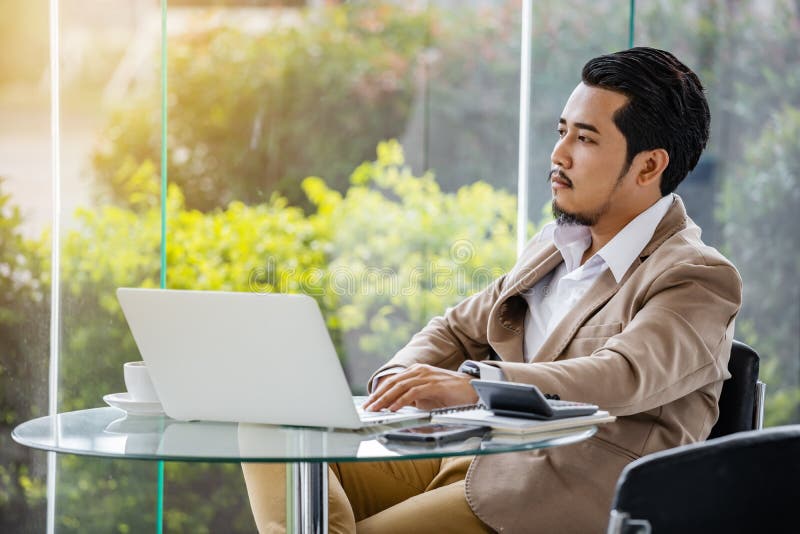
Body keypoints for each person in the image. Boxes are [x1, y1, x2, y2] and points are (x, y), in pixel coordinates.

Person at [242, 47, 742, 533]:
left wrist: (479, 386)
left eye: (585, 140)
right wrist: (394, 380)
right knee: (271, 428)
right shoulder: (555, 245)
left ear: (649, 166)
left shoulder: (696, 276)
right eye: (561, 132)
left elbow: (625, 374)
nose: (559, 154)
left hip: (562, 496)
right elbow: (456, 329)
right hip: (470, 461)